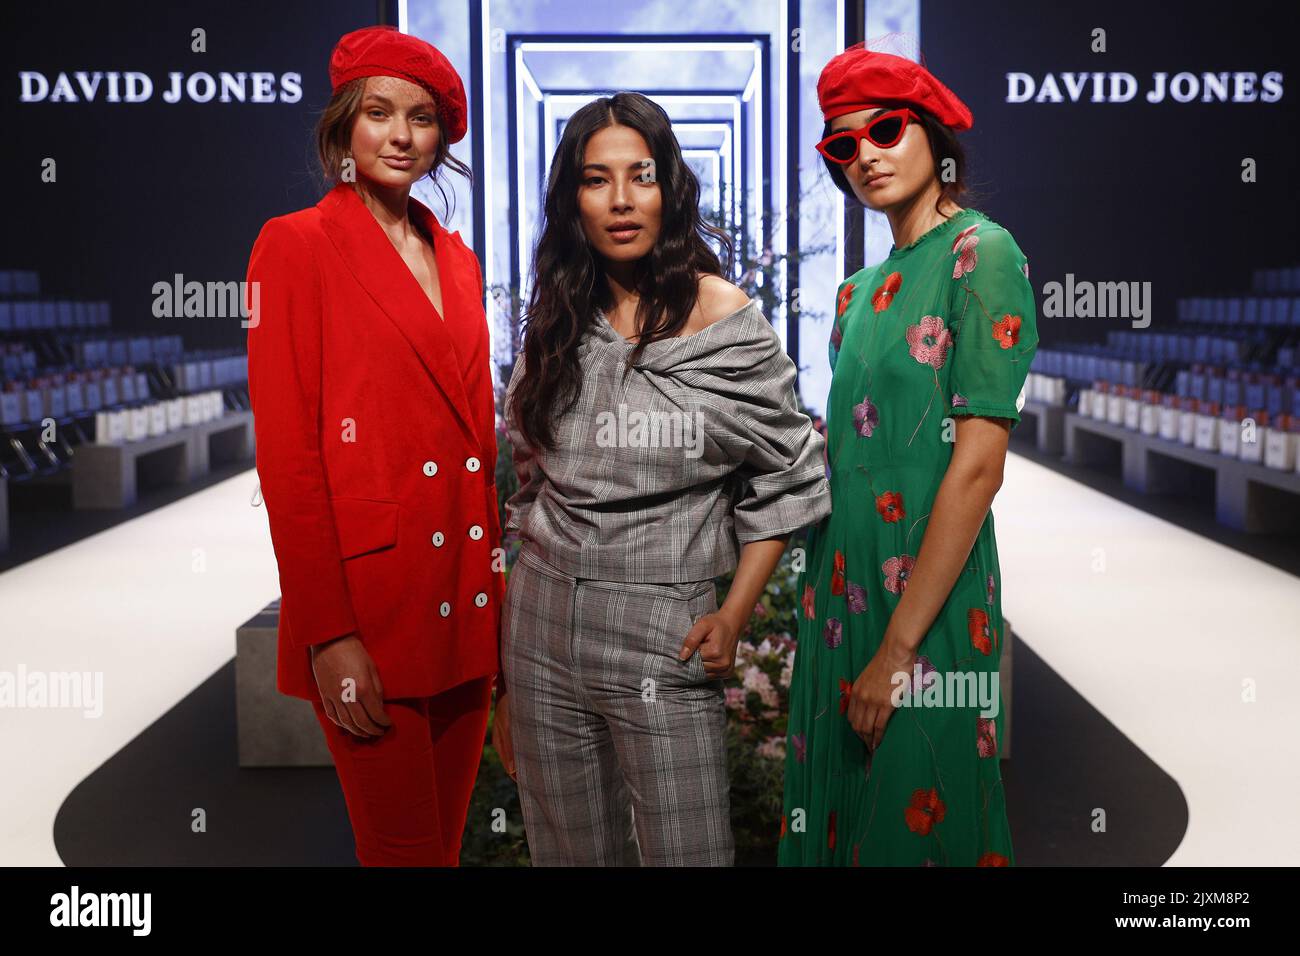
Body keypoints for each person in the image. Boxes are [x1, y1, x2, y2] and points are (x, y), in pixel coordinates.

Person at [494, 92, 832, 866]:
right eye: (594, 179)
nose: (619, 200)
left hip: (663, 626)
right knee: (570, 854)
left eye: (640, 176)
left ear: (669, 189)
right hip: (541, 623)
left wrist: (736, 612)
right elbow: (526, 487)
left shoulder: (721, 317)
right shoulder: (557, 318)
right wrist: (505, 674)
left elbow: (792, 471)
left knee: (690, 851)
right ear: (570, 199)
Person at [244, 24, 502, 866]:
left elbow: (478, 442)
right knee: (401, 854)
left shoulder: (457, 257)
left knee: (442, 850)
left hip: (462, 599)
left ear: (441, 137)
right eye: (378, 112)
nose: (400, 135)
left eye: (421, 118)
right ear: (343, 129)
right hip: (371, 609)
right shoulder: (295, 246)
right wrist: (326, 632)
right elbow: (288, 459)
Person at [778, 43, 1039, 866]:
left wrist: (898, 650)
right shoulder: (857, 292)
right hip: (840, 590)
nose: (866, 156)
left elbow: (978, 466)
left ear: (933, 137)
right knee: (839, 819)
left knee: (918, 821)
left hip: (927, 600)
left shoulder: (982, 254)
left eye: (885, 130)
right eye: (842, 145)